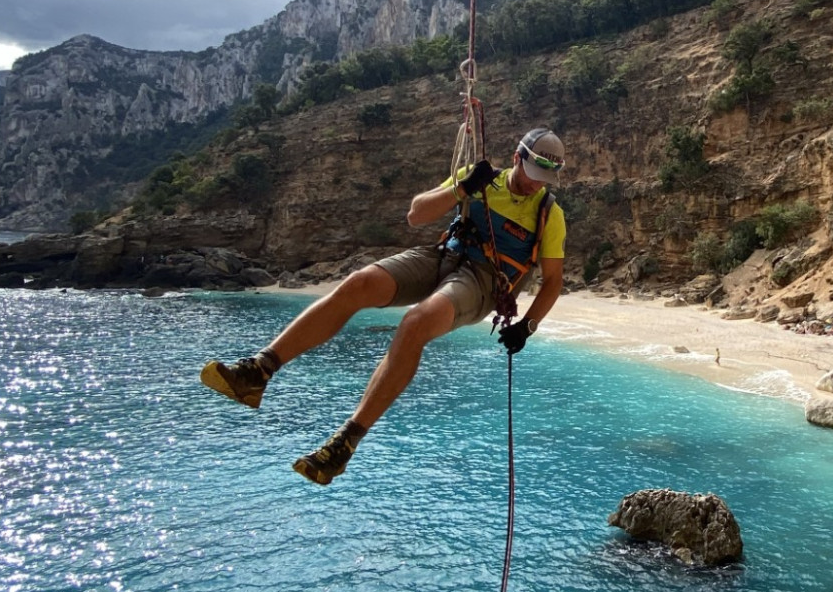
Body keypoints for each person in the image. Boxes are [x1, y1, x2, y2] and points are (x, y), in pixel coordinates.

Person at [199, 127, 567, 485]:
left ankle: (346, 441)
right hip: (444, 256)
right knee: (358, 284)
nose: (535, 184)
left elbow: (552, 281)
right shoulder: (480, 178)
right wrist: (464, 187)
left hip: (484, 281)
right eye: (531, 174)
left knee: (416, 322)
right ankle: (258, 371)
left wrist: (527, 325)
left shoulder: (549, 214)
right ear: (516, 158)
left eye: (543, 180)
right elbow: (416, 215)